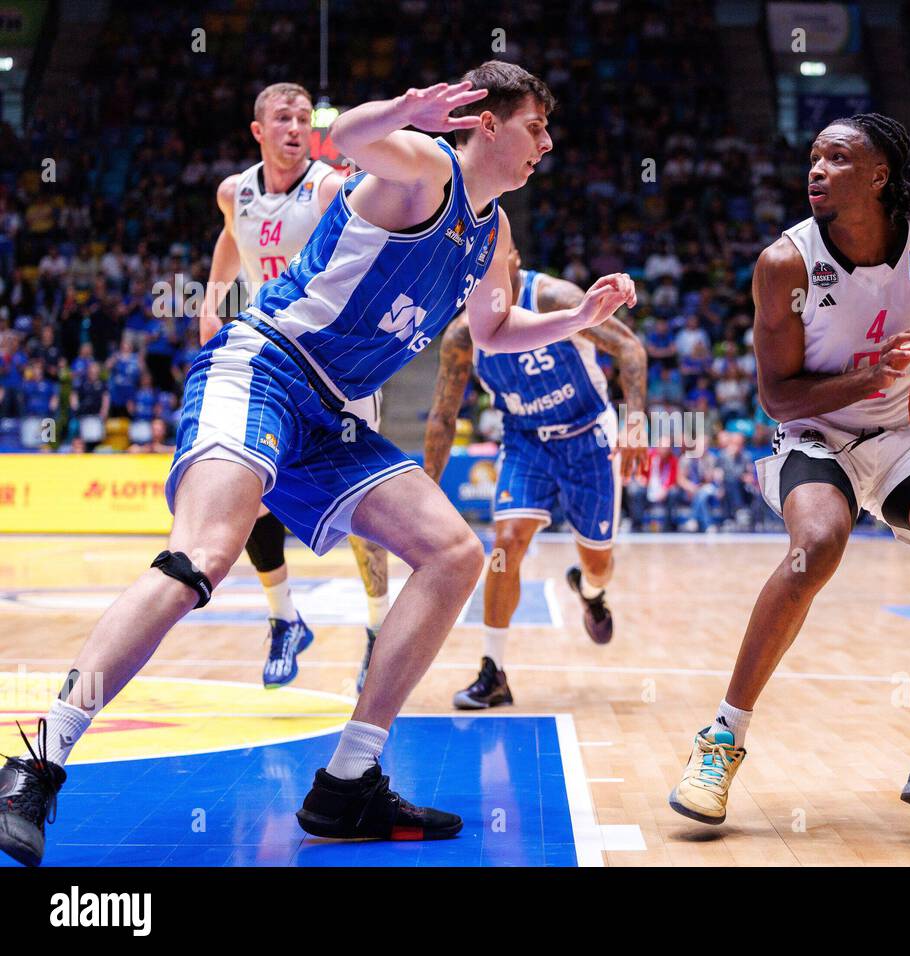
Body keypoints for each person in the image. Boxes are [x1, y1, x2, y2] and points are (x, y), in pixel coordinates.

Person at [1, 62, 637, 867]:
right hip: (265, 366)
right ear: (485, 123)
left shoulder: (494, 232)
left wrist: (577, 317)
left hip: (331, 413)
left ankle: (347, 781)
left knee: (453, 554)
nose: (548, 142)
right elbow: (350, 137)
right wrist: (411, 107)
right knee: (204, 555)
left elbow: (496, 331)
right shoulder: (424, 166)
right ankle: (35, 764)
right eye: (536, 125)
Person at [668, 113, 910, 825]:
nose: (817, 170)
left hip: (901, 435)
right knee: (818, 545)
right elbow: (778, 394)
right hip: (814, 431)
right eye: (813, 158)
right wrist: (872, 376)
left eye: (836, 158)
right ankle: (720, 740)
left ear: (878, 175)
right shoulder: (787, 264)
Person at [198, 82, 390, 691]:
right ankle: (284, 618)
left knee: (368, 512)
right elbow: (233, 237)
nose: (295, 127)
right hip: (274, 366)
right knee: (246, 483)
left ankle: (379, 628)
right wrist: (211, 305)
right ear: (258, 130)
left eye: (304, 119)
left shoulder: (330, 186)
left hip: (339, 367)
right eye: (283, 118)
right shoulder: (235, 192)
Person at [423, 245, 647, 708]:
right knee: (505, 543)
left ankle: (588, 590)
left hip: (588, 439)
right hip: (525, 441)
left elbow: (629, 346)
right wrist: (426, 485)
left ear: (517, 260)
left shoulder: (554, 297)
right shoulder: (463, 335)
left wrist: (637, 420)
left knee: (598, 564)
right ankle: (493, 670)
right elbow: (443, 416)